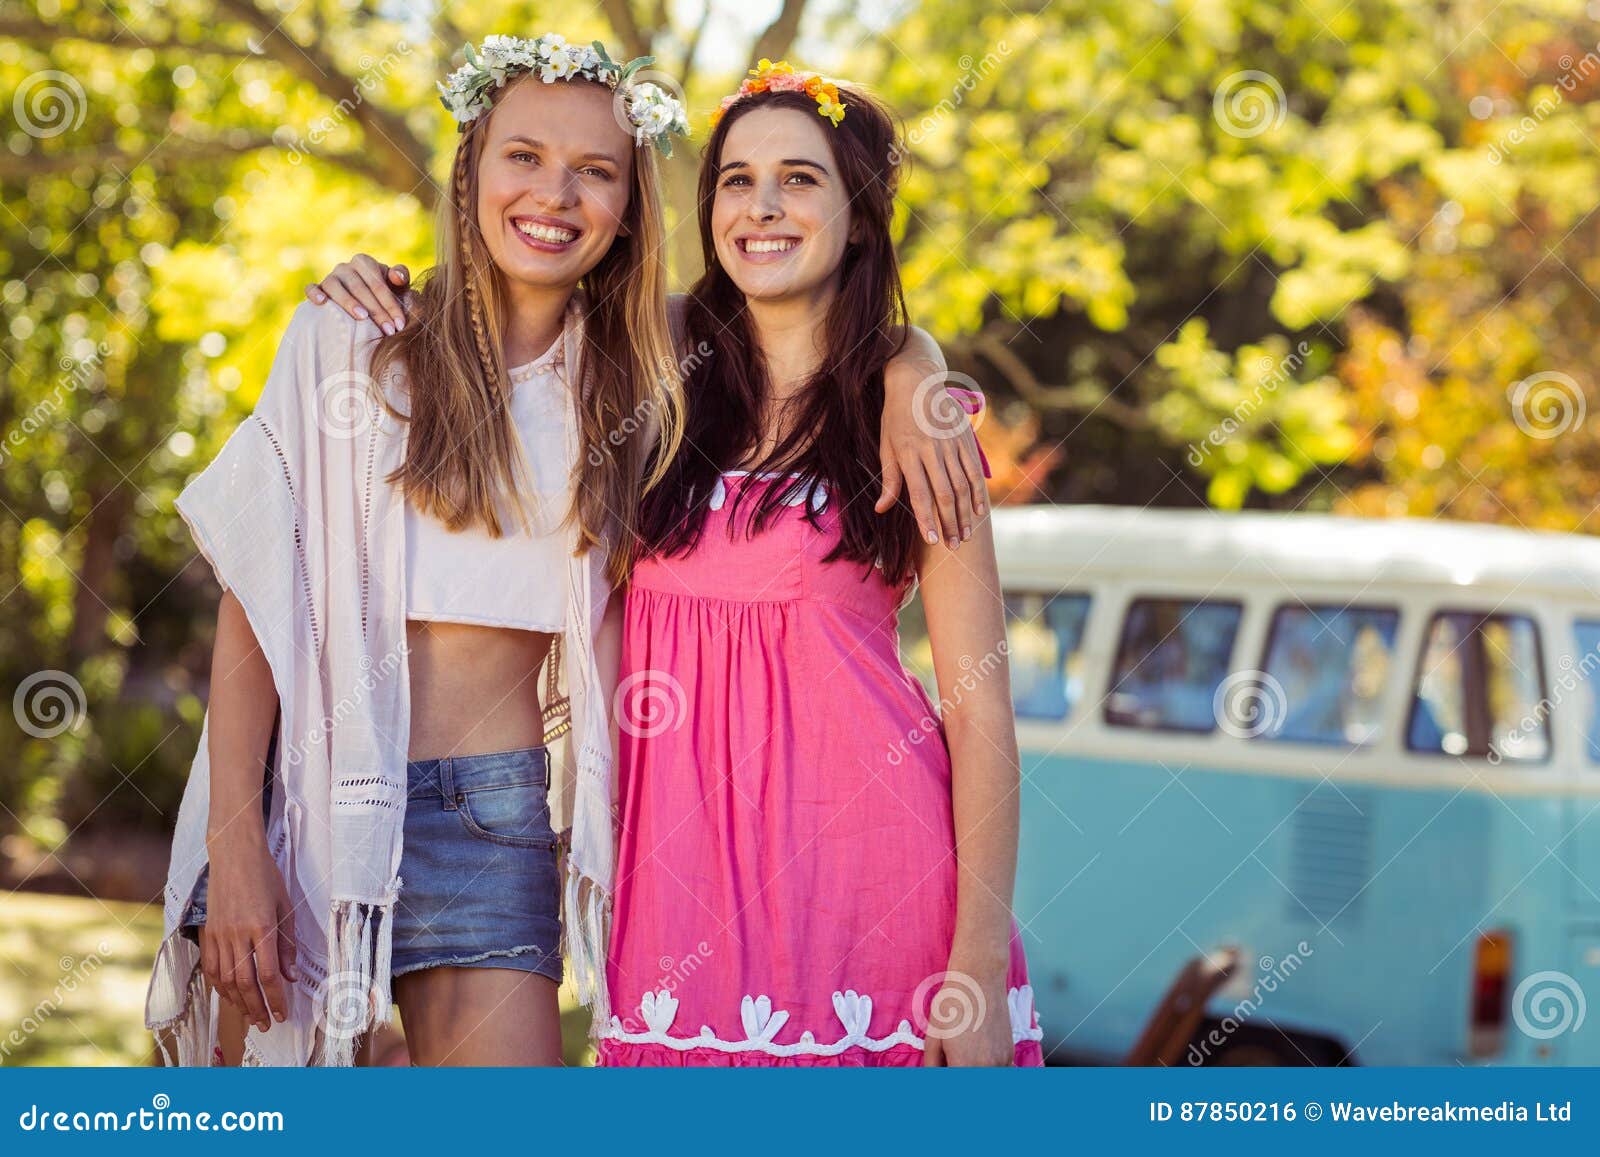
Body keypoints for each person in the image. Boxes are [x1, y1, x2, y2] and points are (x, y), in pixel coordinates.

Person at [145, 33, 691, 1066]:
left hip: (492, 811)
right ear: (470, 166)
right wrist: (234, 840)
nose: (555, 192)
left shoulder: (646, 379)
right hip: (301, 788)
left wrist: (914, 377)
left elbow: (833, 328)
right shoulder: (354, 339)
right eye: (523, 155)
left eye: (595, 171)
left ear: (628, 207)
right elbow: (258, 604)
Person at [595, 63, 1043, 1066]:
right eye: (735, 178)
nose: (760, 206)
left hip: (876, 895)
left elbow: (978, 704)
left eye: (799, 179)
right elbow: (508, 300)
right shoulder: (651, 372)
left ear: (859, 214)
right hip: (680, 896)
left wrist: (971, 961)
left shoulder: (917, 421)